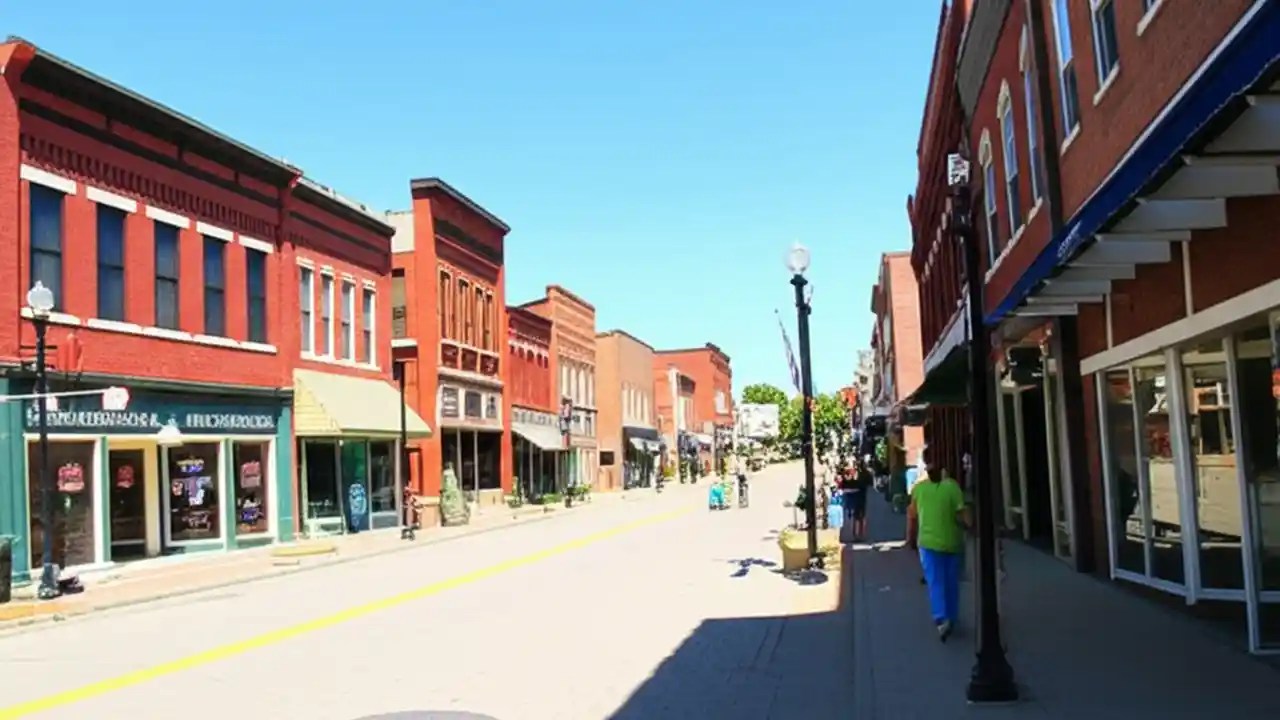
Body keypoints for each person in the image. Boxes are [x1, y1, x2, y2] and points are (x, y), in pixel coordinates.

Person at [906, 449, 970, 642]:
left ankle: (941, 618)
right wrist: (970, 525)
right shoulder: (952, 487)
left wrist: (910, 539)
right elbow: (962, 514)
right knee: (951, 582)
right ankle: (952, 616)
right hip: (953, 541)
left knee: (935, 581)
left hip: (928, 543)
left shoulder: (919, 489)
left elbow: (912, 517)